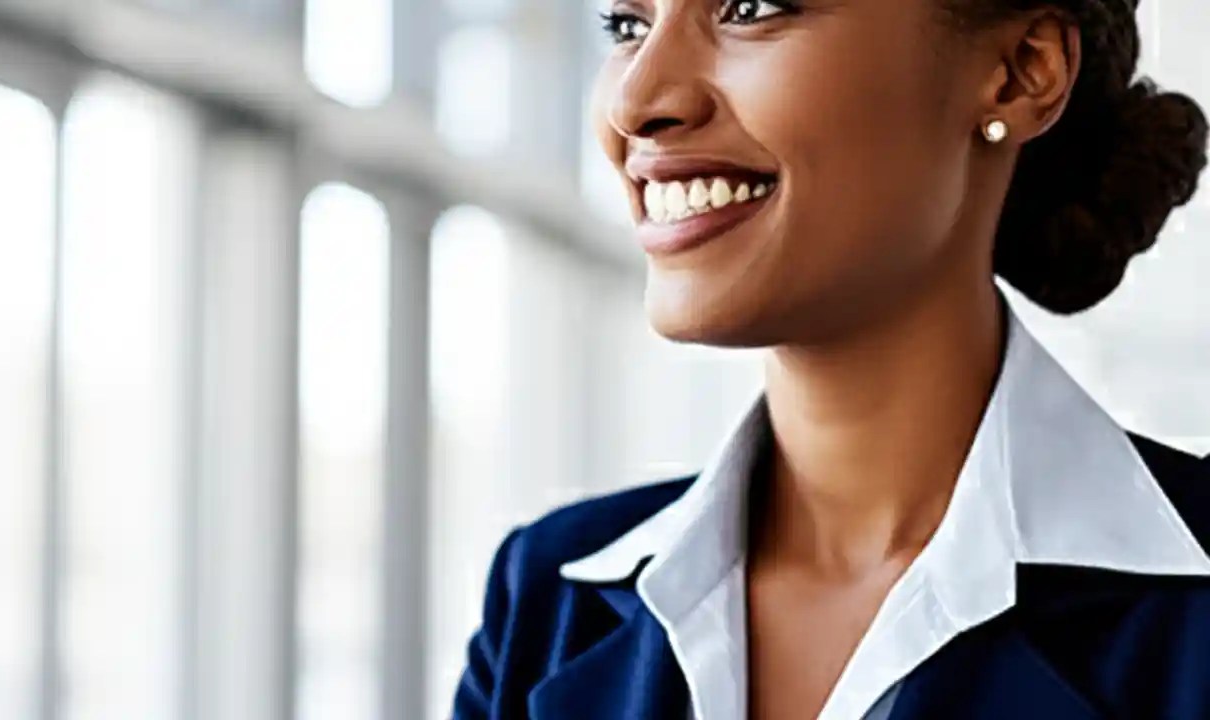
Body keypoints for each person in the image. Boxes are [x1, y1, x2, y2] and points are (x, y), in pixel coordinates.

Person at [452, 0, 1210, 717]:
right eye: (626, 24)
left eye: (751, 8)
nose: (638, 99)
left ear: (1019, 70)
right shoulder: (545, 604)